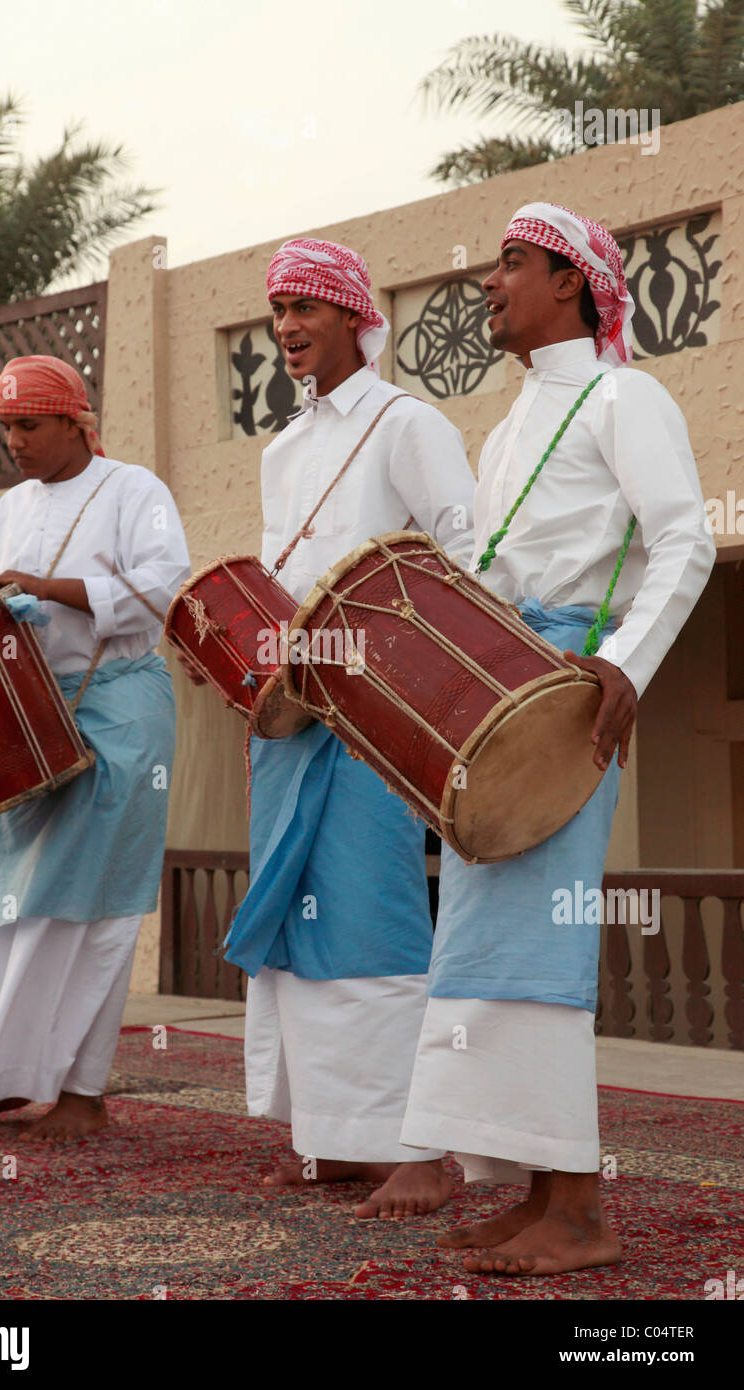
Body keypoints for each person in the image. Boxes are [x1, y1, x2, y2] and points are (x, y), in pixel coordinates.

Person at [400, 203, 715, 1271]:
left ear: (572, 283)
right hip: (501, 693)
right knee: (481, 944)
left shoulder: (623, 395)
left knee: (535, 942)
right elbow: (489, 580)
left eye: (512, 264)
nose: (489, 282)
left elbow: (683, 536)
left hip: (568, 694)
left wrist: (624, 660)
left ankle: (578, 1209)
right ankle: (538, 1190)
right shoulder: (504, 428)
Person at [220, 237, 476, 1218]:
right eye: (276, 309)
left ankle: (415, 1148)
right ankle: (330, 1138)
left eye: (306, 308)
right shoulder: (281, 449)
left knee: (372, 913)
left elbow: (464, 550)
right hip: (289, 715)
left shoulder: (407, 421)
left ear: (354, 317)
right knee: (295, 914)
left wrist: (400, 665)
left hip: (378, 712)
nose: (286, 327)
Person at [0, 355, 190, 1140]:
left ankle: (81, 1092)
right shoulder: (13, 503)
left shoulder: (136, 489)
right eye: (6, 426)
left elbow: (165, 587)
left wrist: (39, 585)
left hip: (122, 710)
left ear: (76, 423)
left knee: (89, 906)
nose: (15, 440)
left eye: (29, 425)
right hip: (33, 713)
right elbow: (2, 608)